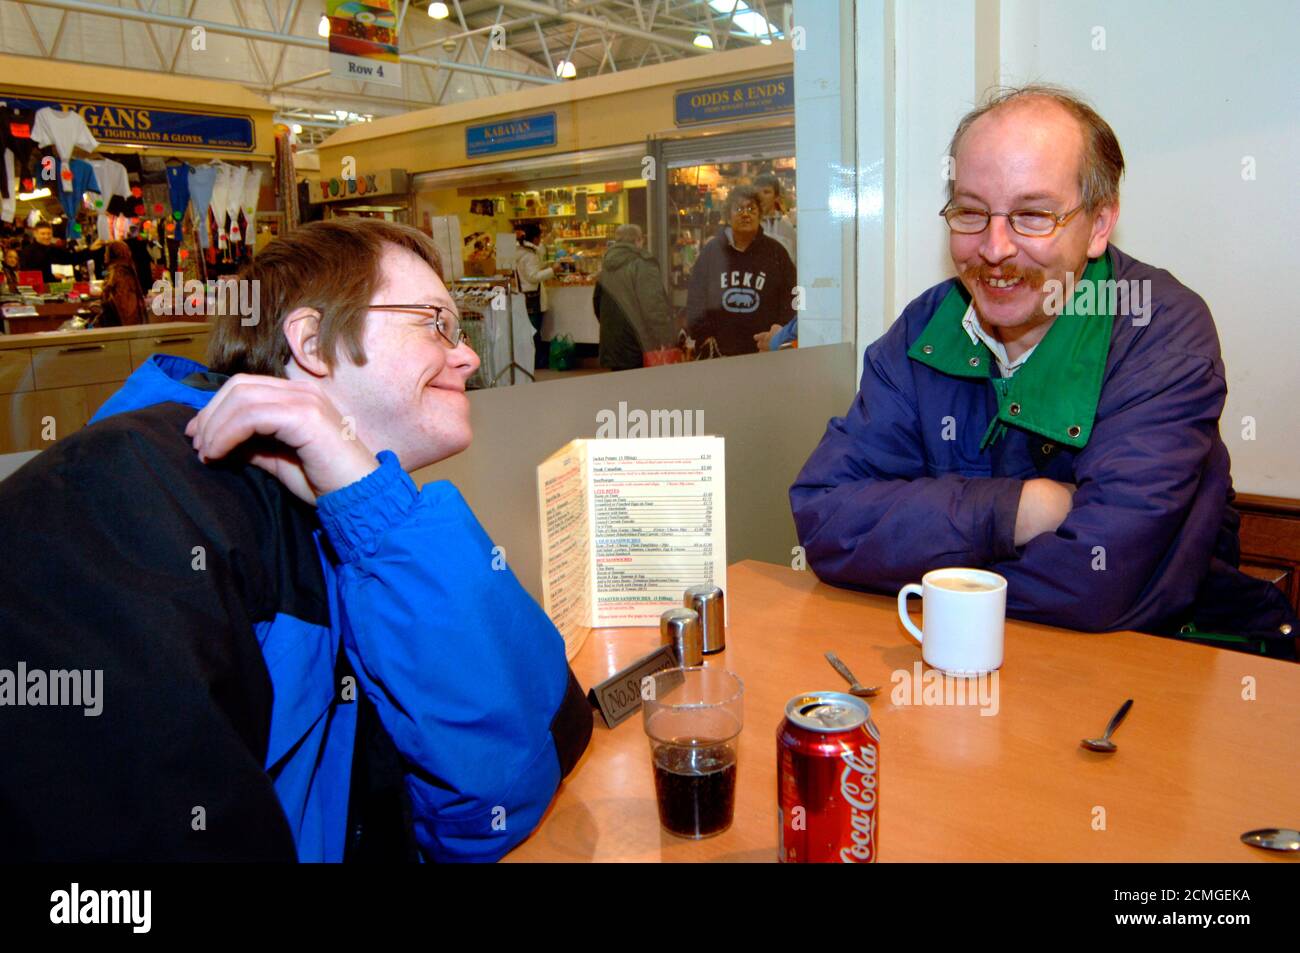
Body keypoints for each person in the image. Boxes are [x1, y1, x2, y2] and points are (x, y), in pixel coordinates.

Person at [0, 218, 593, 860]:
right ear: (313, 342)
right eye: (435, 322)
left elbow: (518, 776)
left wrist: (372, 506)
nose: (469, 355)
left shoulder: (347, 506)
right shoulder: (124, 498)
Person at [790, 84, 1297, 658]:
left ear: (1100, 225)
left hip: (1152, 674)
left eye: (1032, 215)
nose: (995, 247)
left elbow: (1099, 581)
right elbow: (826, 520)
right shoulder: (925, 327)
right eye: (971, 212)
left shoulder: (1159, 329)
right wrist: (1020, 509)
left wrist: (922, 545)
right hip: (956, 666)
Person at [686, 185, 797, 357]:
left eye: (751, 209)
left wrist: (782, 329)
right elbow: (695, 296)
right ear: (727, 217)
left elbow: (795, 293)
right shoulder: (711, 252)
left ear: (760, 215)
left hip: (765, 353)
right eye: (738, 208)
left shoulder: (777, 252)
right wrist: (703, 334)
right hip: (720, 355)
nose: (745, 214)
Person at [591, 224, 675, 370]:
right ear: (639, 240)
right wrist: (666, 339)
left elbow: (597, 302)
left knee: (621, 389)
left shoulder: (606, 267)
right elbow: (654, 307)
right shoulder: (642, 264)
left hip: (613, 345)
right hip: (639, 345)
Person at [513, 221, 553, 370]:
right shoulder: (529, 255)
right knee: (535, 332)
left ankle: (531, 361)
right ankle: (537, 362)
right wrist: (552, 270)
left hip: (524, 296)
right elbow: (533, 276)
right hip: (533, 298)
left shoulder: (519, 253)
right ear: (536, 238)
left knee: (529, 331)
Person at [19, 221, 101, 285]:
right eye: (43, 234)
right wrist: (51, 276)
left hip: (56, 288)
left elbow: (72, 258)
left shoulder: (54, 249)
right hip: (36, 292)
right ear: (35, 234)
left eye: (49, 233)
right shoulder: (27, 252)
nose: (46, 237)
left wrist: (91, 249)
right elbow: (27, 275)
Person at [96, 240, 147, 326]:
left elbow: (124, 306)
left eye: (106, 252)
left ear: (114, 254)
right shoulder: (124, 270)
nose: (105, 255)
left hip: (123, 327)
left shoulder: (119, 273)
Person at [754, 173, 797, 263]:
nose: (760, 197)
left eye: (766, 192)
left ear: (776, 197)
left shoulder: (786, 225)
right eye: (757, 193)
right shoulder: (749, 225)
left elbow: (794, 259)